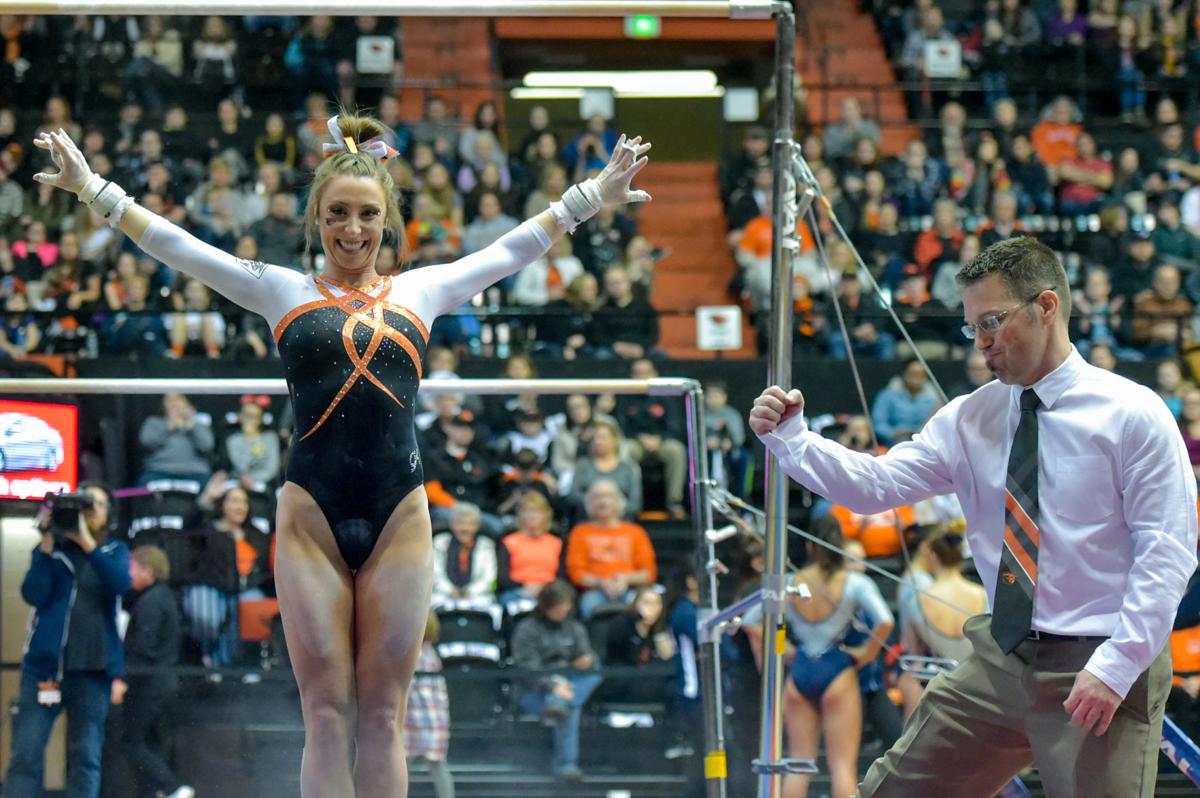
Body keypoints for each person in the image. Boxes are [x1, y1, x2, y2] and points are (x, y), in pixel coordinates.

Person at [32, 117, 652, 797]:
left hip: (398, 518)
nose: (352, 230)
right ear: (316, 218)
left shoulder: (423, 290)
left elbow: (514, 248)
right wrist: (92, 188)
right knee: (325, 715)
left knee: (384, 716)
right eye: (337, 214)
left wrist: (591, 197)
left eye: (367, 215)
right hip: (311, 520)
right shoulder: (281, 290)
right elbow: (180, 248)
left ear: (388, 221)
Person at [749, 235, 1197, 796]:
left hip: (1100, 654)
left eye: (991, 322)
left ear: (1047, 306)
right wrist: (793, 440)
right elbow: (875, 486)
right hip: (1002, 654)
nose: (981, 342)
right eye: (971, 328)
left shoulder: (1134, 413)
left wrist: (1117, 666)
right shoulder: (968, 417)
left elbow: (1167, 553)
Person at [741, 516, 894, 798]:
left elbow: (750, 622)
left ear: (810, 546)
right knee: (842, 767)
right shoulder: (854, 582)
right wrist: (867, 655)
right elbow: (885, 621)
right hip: (837, 669)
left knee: (798, 765)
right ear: (840, 546)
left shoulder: (791, 582)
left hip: (801, 668)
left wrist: (786, 649)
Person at [3, 482, 131, 798]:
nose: (89, 511)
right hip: (45, 670)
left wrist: (87, 544)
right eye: (84, 504)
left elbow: (120, 584)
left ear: (107, 515)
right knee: (26, 752)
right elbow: (34, 593)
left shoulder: (113, 551)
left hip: (93, 671)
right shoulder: (52, 552)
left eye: (96, 505)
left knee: (85, 755)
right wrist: (46, 543)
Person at [117, 545, 192, 798]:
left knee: (132, 742)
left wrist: (124, 680)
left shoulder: (151, 601)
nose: (128, 574)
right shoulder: (164, 597)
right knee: (152, 743)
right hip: (164, 682)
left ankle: (172, 787)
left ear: (147, 570)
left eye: (132, 568)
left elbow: (143, 647)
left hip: (148, 684)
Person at [510, 579, 602, 781]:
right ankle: (567, 765)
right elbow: (527, 669)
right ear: (546, 605)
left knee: (592, 676)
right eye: (558, 606)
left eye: (566, 605)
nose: (564, 610)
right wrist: (552, 685)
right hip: (534, 691)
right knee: (568, 709)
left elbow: (589, 658)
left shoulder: (575, 628)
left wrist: (586, 661)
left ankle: (558, 701)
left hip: (570, 683)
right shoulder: (527, 628)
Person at [403, 613, 454, 798]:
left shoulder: (412, 653)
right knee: (438, 765)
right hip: (436, 719)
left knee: (402, 765)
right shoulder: (431, 652)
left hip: (413, 717)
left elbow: (407, 687)